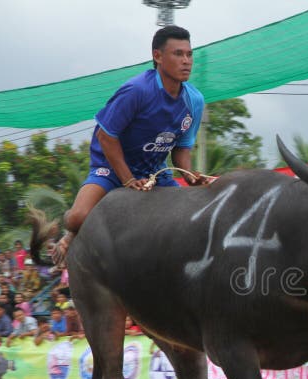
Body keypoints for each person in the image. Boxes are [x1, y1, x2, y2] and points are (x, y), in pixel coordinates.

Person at [51, 25, 207, 267]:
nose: (186, 61)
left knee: (189, 220)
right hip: (111, 168)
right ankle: (69, 231)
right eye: (178, 54)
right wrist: (127, 179)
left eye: (189, 54)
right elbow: (106, 137)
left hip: (154, 173)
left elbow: (181, 150)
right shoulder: (136, 90)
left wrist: (190, 175)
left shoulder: (194, 100)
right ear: (157, 56)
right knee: (79, 218)